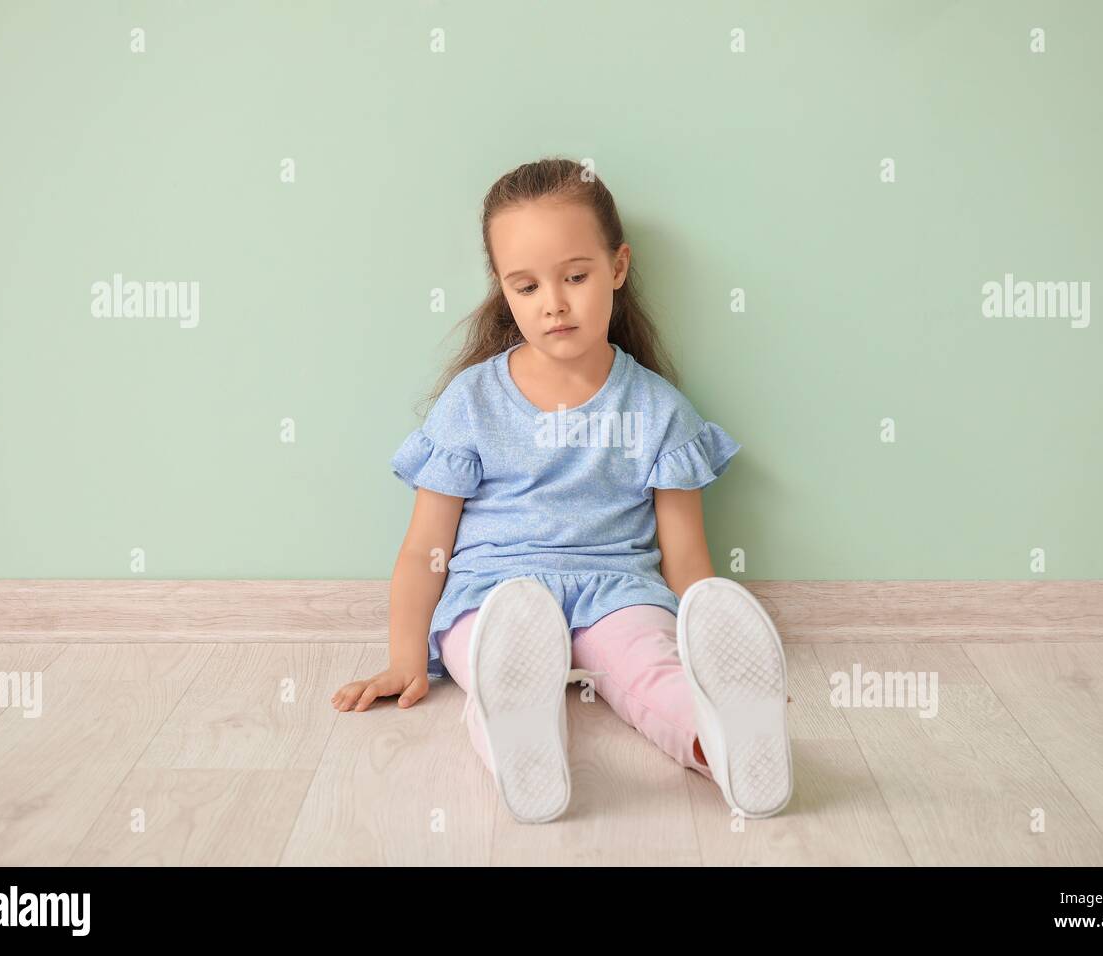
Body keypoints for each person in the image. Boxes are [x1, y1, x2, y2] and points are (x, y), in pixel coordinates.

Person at [332, 157, 792, 823]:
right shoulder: (472, 401)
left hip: (616, 591)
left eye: (576, 276)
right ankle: (528, 750)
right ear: (504, 292)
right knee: (500, 675)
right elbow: (423, 549)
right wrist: (407, 656)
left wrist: (703, 633)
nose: (553, 302)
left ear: (618, 268)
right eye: (526, 287)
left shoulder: (658, 409)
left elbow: (686, 558)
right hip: (493, 594)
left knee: (651, 675)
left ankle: (725, 742)